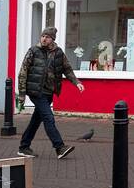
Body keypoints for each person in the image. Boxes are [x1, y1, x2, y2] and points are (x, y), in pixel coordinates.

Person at [17, 27, 84, 159]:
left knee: (36, 120)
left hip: (49, 92)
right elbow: (23, 72)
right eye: (42, 36)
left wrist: (77, 82)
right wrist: (22, 94)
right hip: (36, 91)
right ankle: (59, 147)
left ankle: (24, 147)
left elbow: (67, 69)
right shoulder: (33, 51)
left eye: (47, 37)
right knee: (48, 117)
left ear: (52, 39)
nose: (44, 39)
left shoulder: (58, 53)